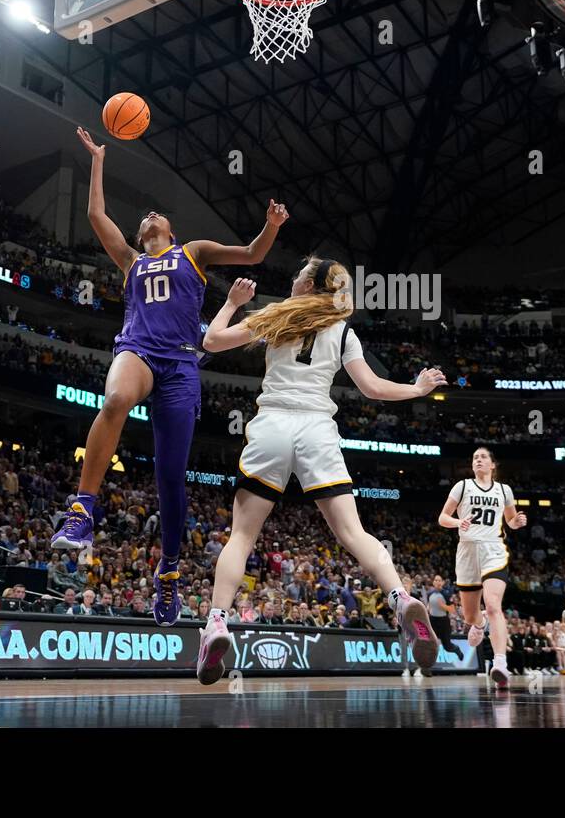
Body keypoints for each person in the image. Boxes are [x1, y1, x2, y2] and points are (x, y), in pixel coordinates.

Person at [51, 125, 290, 629]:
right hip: (138, 348)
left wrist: (271, 226)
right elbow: (96, 215)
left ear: (171, 233)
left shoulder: (194, 252)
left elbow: (252, 255)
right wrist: (97, 159)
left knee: (170, 480)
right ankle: (82, 509)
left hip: (181, 364)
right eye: (146, 217)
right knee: (115, 398)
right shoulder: (131, 261)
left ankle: (169, 570)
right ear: (142, 236)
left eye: (158, 214)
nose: (152, 214)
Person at [194, 261, 445, 684]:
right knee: (352, 533)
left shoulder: (276, 314)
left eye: (298, 274)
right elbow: (374, 389)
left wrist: (233, 303)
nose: (292, 278)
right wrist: (418, 389)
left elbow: (212, 341)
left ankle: (217, 621)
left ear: (307, 284)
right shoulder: (343, 330)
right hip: (316, 429)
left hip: (272, 423)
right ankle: (400, 598)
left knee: (242, 535)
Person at [439, 446, 528, 689]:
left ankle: (500, 663)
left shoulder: (503, 490)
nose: (478, 460)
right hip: (467, 552)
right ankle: (479, 625)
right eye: (475, 457)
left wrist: (517, 522)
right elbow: (442, 517)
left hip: (493, 550)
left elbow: (510, 520)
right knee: (470, 615)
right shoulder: (462, 486)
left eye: (483, 457)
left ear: (492, 465)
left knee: (492, 605)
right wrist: (459, 521)